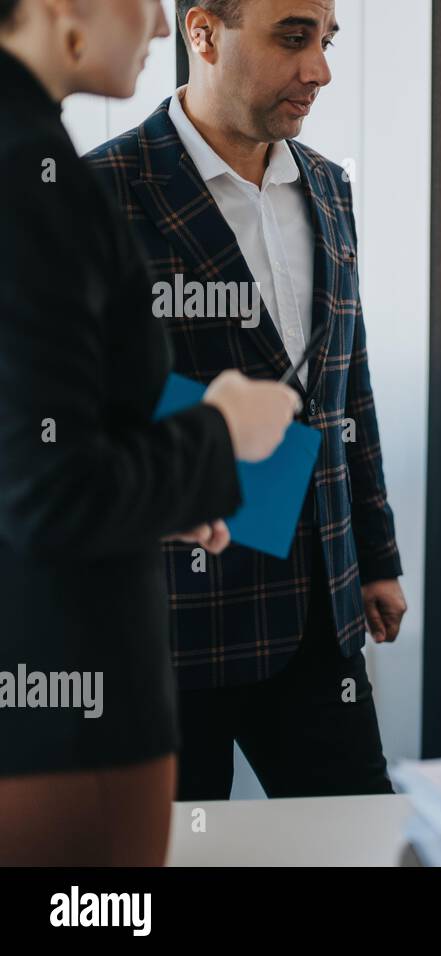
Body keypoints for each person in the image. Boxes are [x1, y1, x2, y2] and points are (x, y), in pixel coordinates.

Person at [0, 0, 300, 864]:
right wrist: (221, 431)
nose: (161, 27)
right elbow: (50, 491)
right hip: (65, 727)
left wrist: (165, 490)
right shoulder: (36, 174)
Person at [85, 0, 405, 800]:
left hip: (321, 615)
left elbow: (347, 381)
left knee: (358, 846)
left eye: (325, 41)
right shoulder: (97, 193)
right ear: (201, 33)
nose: (319, 70)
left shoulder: (329, 187)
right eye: (293, 38)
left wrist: (376, 555)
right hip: (169, 624)